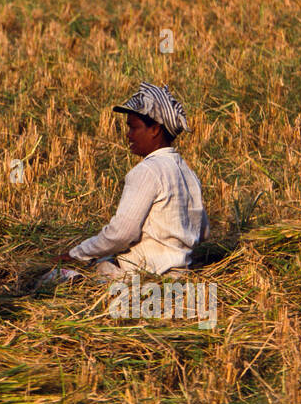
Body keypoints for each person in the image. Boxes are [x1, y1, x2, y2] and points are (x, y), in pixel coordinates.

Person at [52, 84, 208, 280]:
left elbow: (121, 234)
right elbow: (202, 231)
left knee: (55, 277)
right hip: (179, 276)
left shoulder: (148, 171)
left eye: (133, 128)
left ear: (155, 130)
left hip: (142, 276)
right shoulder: (188, 173)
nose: (128, 135)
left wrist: (77, 254)